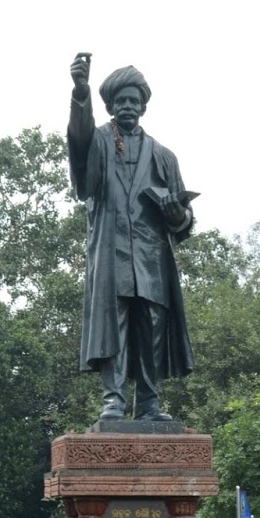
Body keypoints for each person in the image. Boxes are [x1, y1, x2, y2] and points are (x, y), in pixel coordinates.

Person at [67, 54, 197, 422]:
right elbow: (78, 143)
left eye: (134, 101)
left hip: (151, 259)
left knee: (152, 327)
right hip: (111, 253)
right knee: (115, 326)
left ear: (143, 107)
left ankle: (150, 402)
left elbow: (185, 223)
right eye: (121, 100)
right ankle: (115, 400)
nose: (128, 106)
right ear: (110, 105)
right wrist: (80, 93)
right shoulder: (99, 144)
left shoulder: (163, 156)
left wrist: (176, 214)